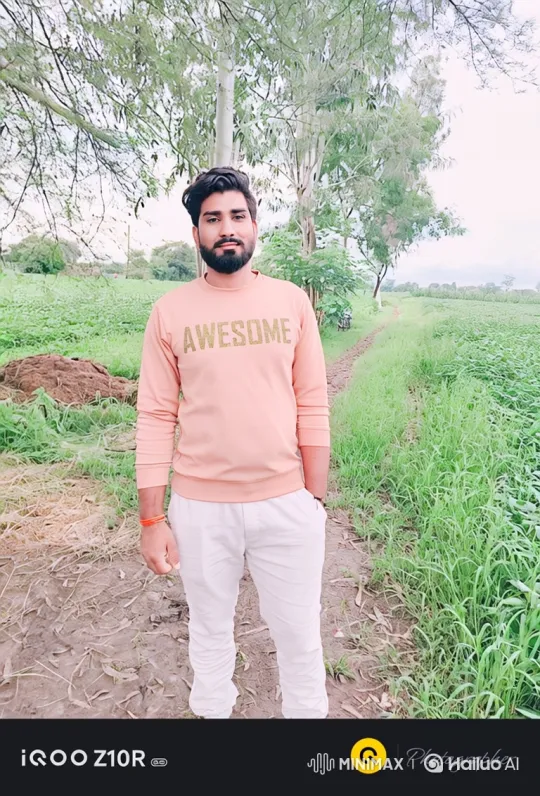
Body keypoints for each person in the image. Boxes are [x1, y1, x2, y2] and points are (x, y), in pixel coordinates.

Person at [135, 166, 330, 719]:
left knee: (299, 638)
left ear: (254, 224)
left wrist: (311, 501)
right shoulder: (170, 312)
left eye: (237, 216)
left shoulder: (291, 303)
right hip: (200, 510)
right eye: (212, 218)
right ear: (196, 232)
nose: (227, 228)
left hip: (286, 505)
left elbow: (312, 401)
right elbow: (154, 415)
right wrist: (153, 521)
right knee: (210, 632)